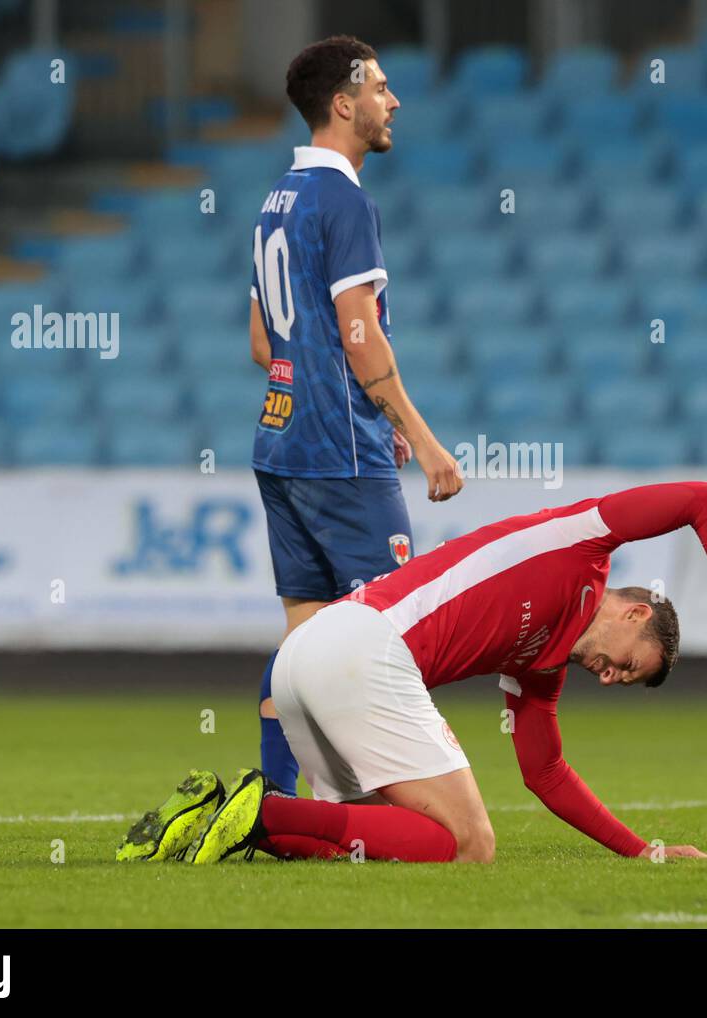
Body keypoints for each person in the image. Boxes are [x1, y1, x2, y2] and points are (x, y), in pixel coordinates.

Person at [118, 481, 707, 865]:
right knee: (470, 844)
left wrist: (641, 850)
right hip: (363, 649)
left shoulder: (538, 666)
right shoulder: (583, 544)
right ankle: (261, 813)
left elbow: (545, 773)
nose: (609, 677)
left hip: (309, 657)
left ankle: (210, 816)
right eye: (627, 665)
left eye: (621, 681)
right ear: (634, 612)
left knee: (371, 849)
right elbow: (704, 500)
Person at [247, 34, 464, 797]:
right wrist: (422, 436)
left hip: (280, 443)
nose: (392, 100)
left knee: (306, 636)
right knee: (390, 630)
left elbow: (260, 339)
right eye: (379, 88)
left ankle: (275, 802)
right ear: (343, 105)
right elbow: (358, 329)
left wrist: (335, 399)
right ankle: (405, 799)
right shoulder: (345, 200)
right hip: (339, 453)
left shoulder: (277, 200)